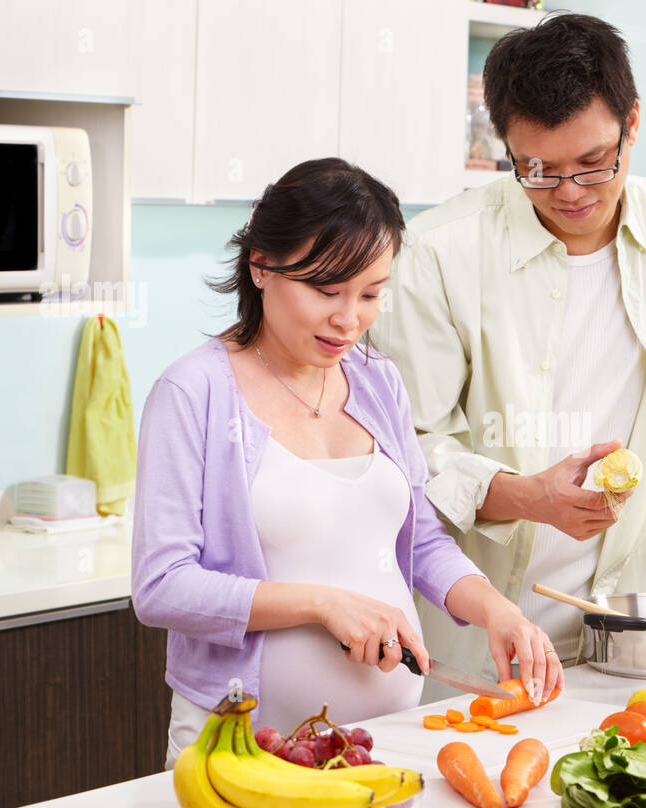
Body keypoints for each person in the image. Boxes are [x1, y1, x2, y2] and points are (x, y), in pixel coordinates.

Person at [131, 159, 562, 768]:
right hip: (243, 750)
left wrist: (496, 609)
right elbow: (161, 586)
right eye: (327, 291)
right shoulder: (193, 393)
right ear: (260, 266)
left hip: (389, 740)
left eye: (371, 294)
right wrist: (321, 604)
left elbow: (422, 545)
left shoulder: (377, 380)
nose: (349, 319)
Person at [376, 13, 646, 685]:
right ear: (506, 150)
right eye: (539, 170)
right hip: (482, 650)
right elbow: (411, 450)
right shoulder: (437, 251)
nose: (572, 193)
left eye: (593, 162)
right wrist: (527, 497)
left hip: (635, 646)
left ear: (632, 123)